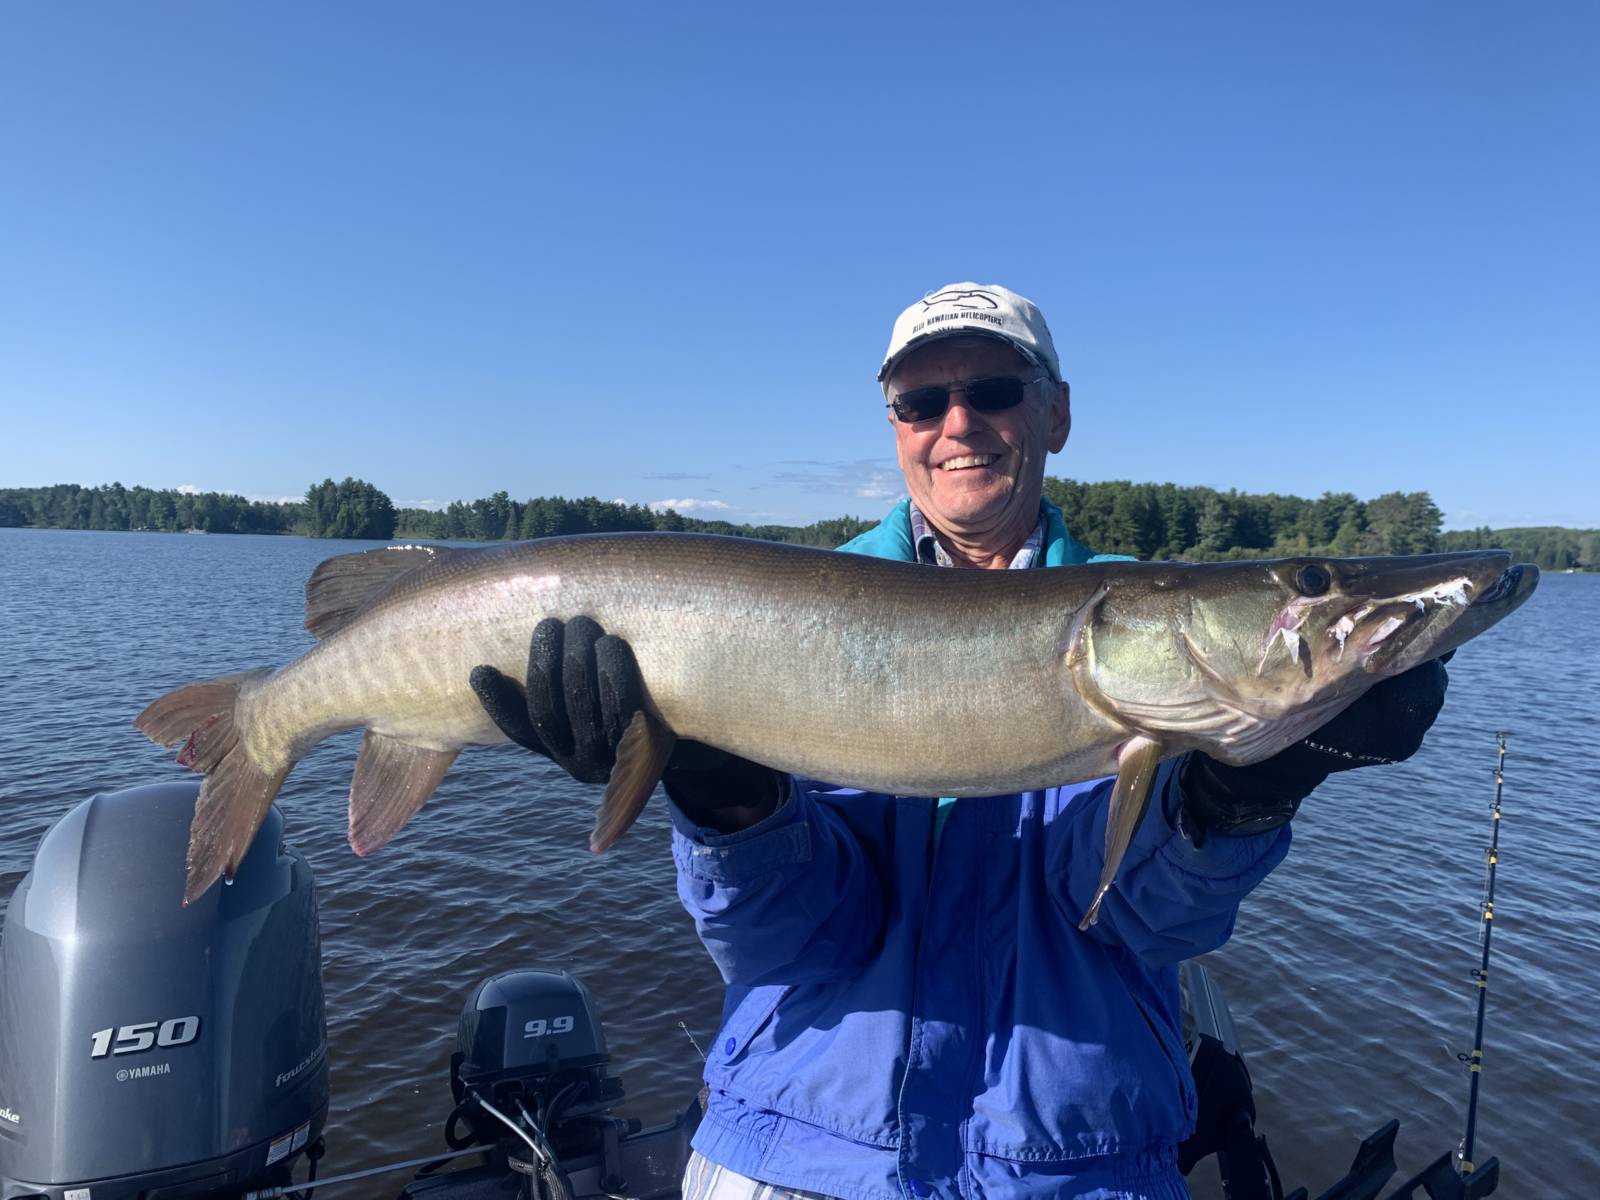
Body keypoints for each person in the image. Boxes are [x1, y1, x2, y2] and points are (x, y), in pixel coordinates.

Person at [469, 283, 1449, 1200]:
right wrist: (725, 793)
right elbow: (791, 942)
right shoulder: (781, 619)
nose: (956, 423)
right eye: (919, 401)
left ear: (1055, 413)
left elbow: (1146, 928)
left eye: (991, 390)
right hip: (794, 1146)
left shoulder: (1153, 636)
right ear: (893, 427)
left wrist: (1238, 802)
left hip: (1075, 1165)